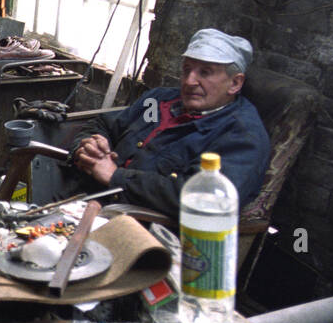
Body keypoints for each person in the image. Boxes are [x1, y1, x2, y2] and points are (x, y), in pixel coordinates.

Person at [67, 28, 271, 218]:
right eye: (187, 70)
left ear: (235, 83)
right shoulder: (157, 101)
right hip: (78, 201)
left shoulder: (241, 135)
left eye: (205, 72)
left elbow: (204, 201)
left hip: (140, 230)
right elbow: (103, 124)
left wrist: (115, 176)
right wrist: (88, 146)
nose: (190, 81)